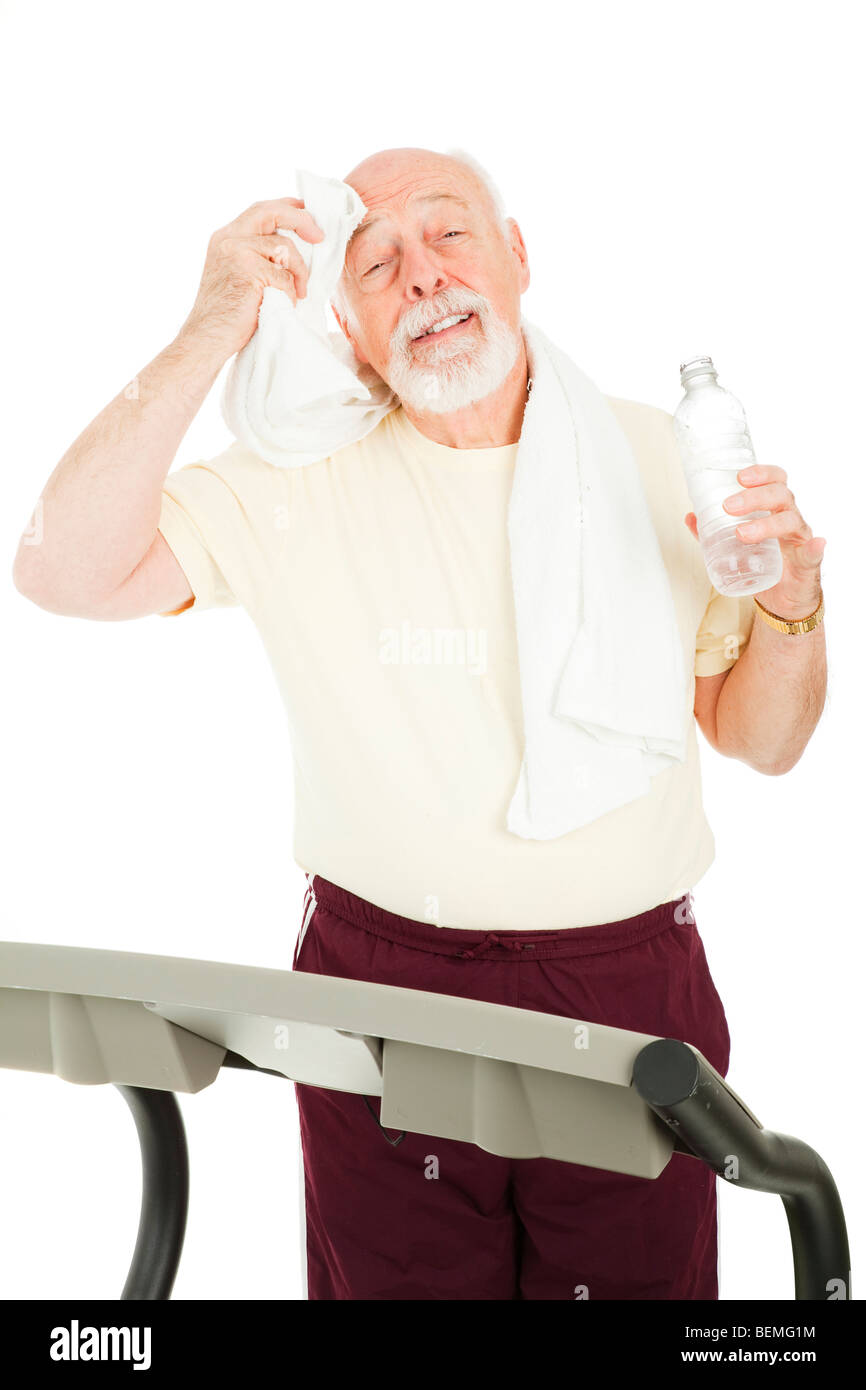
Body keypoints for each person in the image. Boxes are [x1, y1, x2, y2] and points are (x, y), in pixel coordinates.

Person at [11, 145, 827, 1301]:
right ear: (341, 318)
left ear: (516, 255)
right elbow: (60, 570)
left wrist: (793, 610)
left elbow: (763, 741)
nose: (422, 277)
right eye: (375, 261)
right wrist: (208, 327)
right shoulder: (298, 474)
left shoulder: (655, 455)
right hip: (376, 991)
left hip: (621, 992)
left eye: (447, 235)